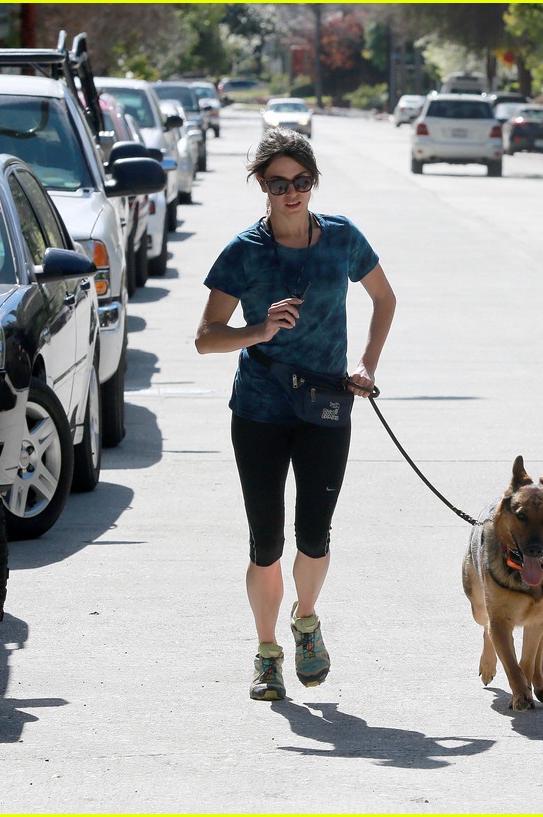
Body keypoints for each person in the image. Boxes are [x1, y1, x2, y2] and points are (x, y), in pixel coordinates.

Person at [195, 128, 397, 701]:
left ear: (313, 183)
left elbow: (384, 298)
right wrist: (260, 329)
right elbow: (206, 339)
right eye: (279, 183)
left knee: (314, 534)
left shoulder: (341, 239)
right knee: (266, 540)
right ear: (261, 185)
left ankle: (305, 621)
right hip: (259, 410)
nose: (291, 193)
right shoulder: (244, 252)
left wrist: (368, 363)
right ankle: (266, 653)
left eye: (301, 182)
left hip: (327, 406)